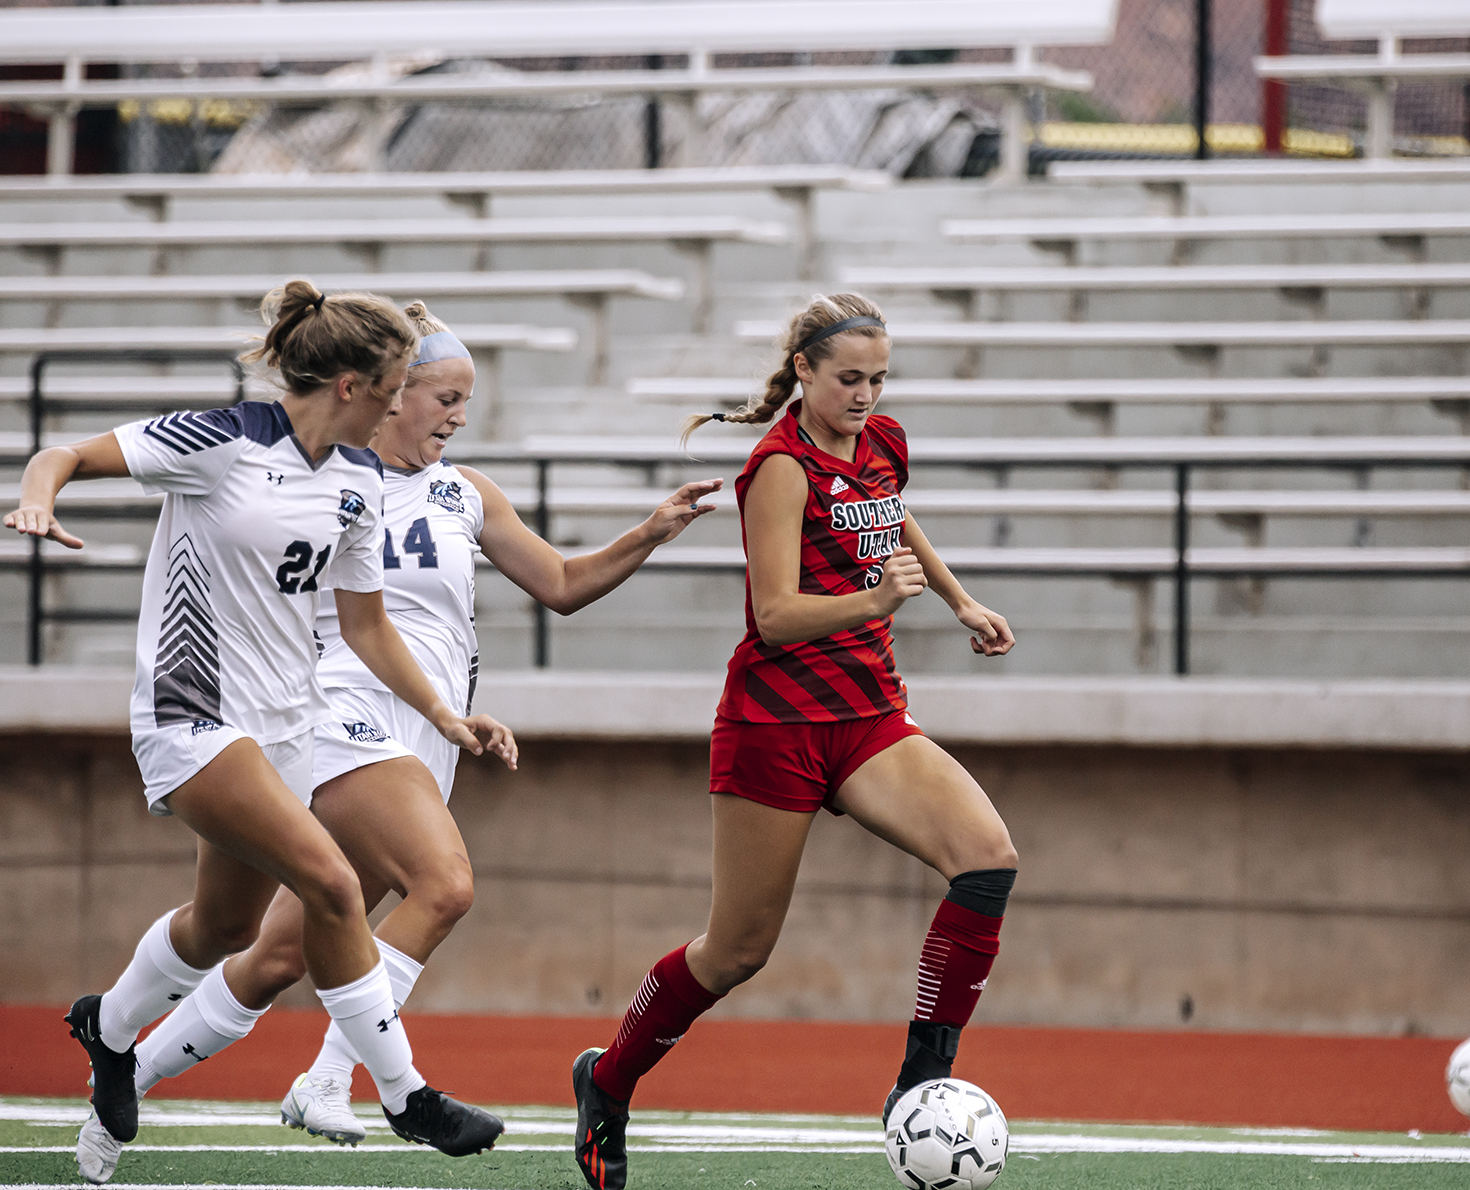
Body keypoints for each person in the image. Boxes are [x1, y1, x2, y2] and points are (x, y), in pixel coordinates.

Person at [73, 301, 722, 1183]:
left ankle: (124, 1078)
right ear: (387, 393)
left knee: (269, 950)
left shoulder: (463, 490)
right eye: (442, 395)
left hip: (421, 734)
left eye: (467, 399)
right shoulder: (317, 472)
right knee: (442, 884)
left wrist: (648, 533)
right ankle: (366, 1084)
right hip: (337, 716)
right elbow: (329, 610)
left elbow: (562, 585)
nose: (457, 415)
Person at [5, 281, 513, 1177]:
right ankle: (405, 1096)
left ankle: (109, 1029)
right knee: (330, 883)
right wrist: (40, 500)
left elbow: (367, 628)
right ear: (352, 384)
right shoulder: (222, 439)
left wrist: (443, 714)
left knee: (222, 929)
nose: (404, 409)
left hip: (288, 725)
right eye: (396, 391)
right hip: (191, 711)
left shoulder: (358, 481)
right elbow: (62, 453)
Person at [570, 294, 1019, 1190]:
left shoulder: (884, 439)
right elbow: (774, 619)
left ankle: (921, 1081)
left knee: (987, 860)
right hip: (776, 724)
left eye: (878, 378)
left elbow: (891, 515)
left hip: (869, 715)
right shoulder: (778, 467)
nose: (865, 394)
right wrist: (878, 603)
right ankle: (607, 1083)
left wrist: (958, 597)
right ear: (804, 373)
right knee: (735, 952)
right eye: (848, 378)